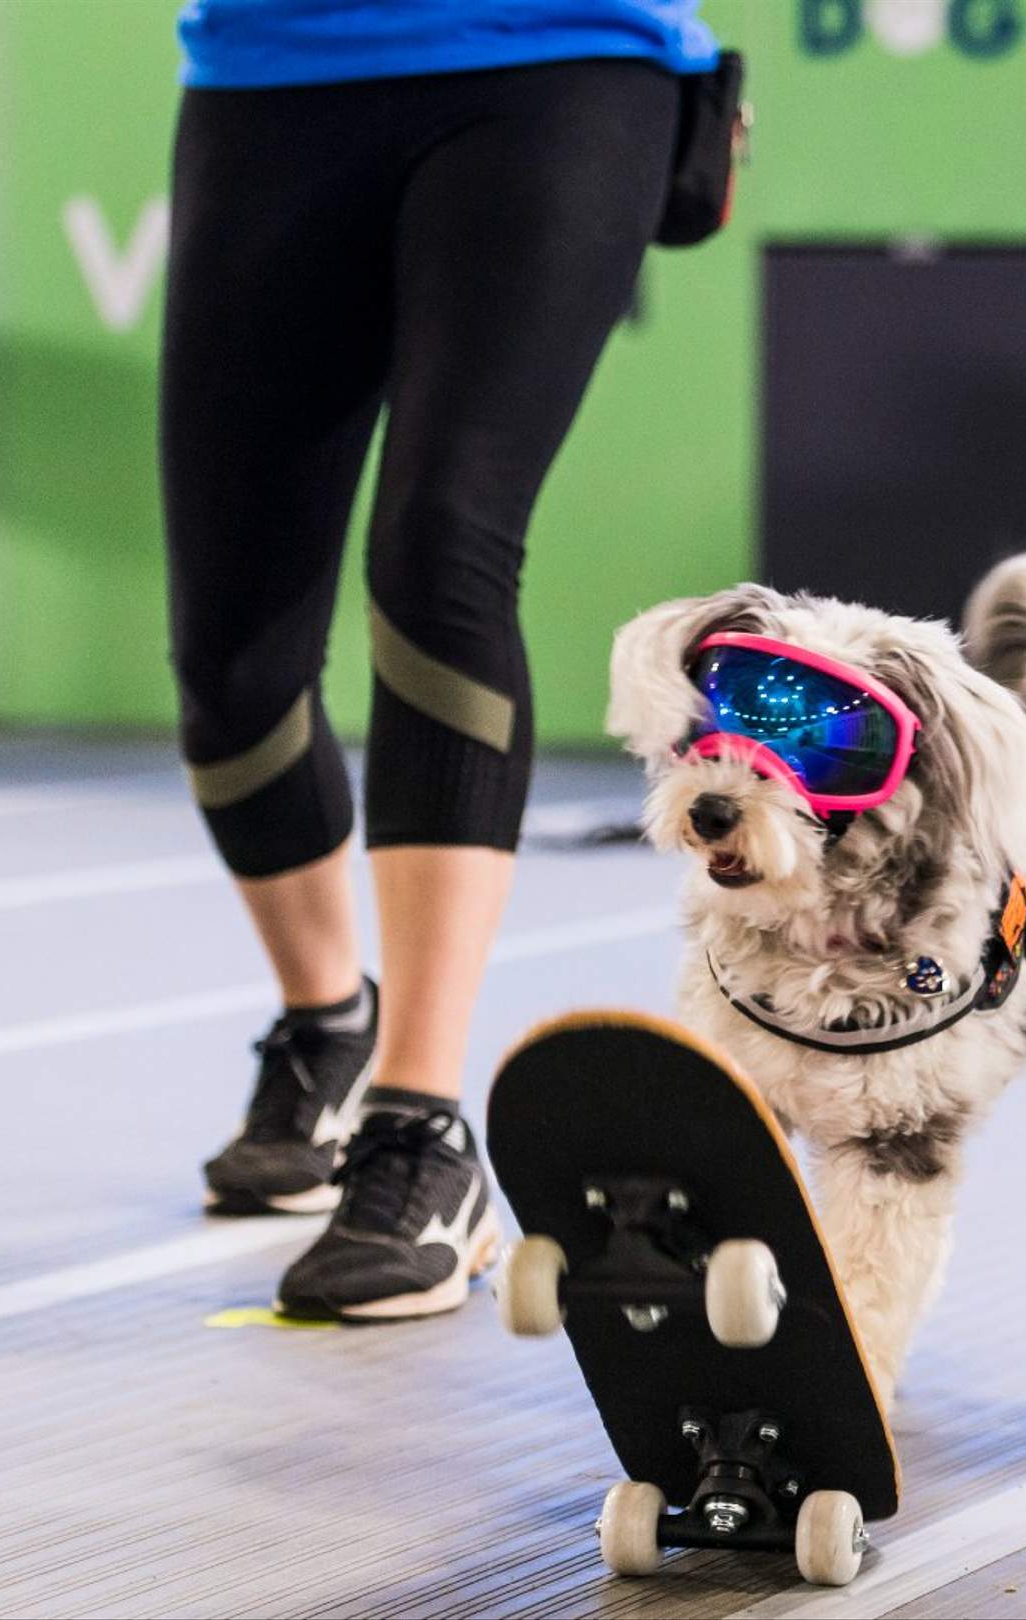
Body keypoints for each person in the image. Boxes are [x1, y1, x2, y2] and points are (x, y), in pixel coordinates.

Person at [159, 0, 714, 1320]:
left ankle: (419, 1131)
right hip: (271, 68)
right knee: (231, 649)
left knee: (441, 545)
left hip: (558, 57)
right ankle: (326, 1026)